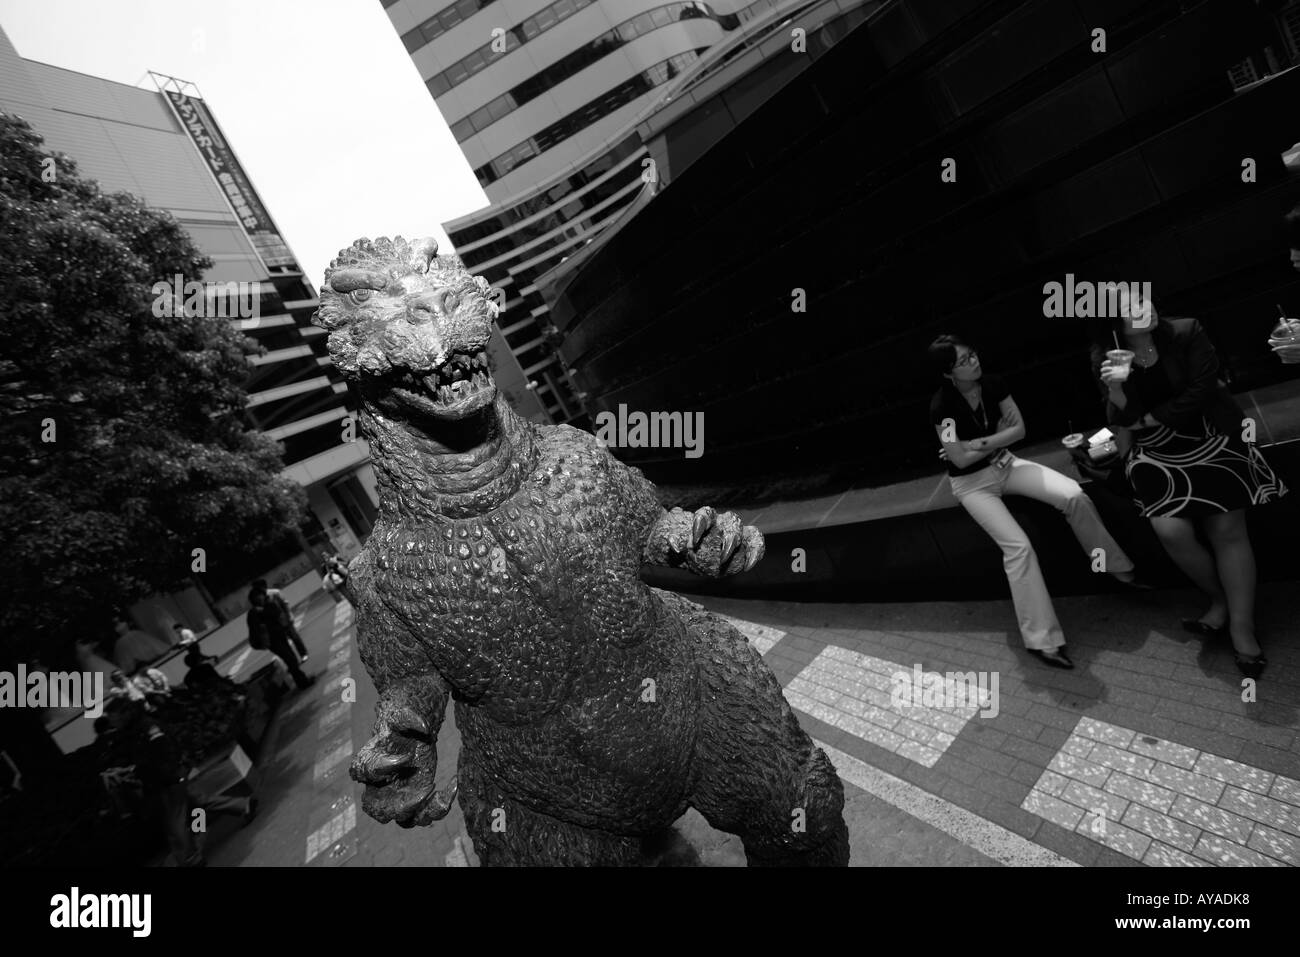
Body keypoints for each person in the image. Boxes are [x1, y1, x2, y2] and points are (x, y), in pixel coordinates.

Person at [1093, 286, 1287, 678]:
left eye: (1143, 300)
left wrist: (1150, 418)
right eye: (1129, 308)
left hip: (1210, 430)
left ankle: (1241, 625)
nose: (1141, 309)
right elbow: (1123, 418)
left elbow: (1203, 388)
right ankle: (1220, 599)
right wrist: (1116, 387)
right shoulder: (1106, 355)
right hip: (1156, 449)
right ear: (1114, 322)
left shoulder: (1185, 331)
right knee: (1170, 531)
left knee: (1226, 526)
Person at [929, 335, 1145, 669]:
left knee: (1073, 494)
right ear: (948, 373)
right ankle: (1042, 641)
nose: (974, 361)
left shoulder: (993, 384)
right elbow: (957, 461)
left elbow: (1019, 431)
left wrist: (976, 442)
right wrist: (987, 440)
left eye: (972, 354)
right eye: (963, 361)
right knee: (1018, 548)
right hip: (973, 486)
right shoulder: (942, 407)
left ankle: (1116, 571)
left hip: (1007, 464)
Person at [100, 695, 255, 867]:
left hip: (169, 779)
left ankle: (190, 858)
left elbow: (162, 754)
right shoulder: (134, 731)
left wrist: (139, 771)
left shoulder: (147, 727)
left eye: (114, 717)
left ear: (126, 713)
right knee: (200, 804)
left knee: (175, 824)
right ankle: (242, 806)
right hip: (169, 777)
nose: (113, 723)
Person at [247, 587, 314, 690]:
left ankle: (300, 680)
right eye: (258, 597)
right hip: (272, 642)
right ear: (254, 599)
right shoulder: (253, 613)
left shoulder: (269, 605)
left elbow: (278, 614)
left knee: (291, 658)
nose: (261, 598)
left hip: (280, 636)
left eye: (261, 595)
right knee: (290, 659)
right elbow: (255, 628)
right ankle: (302, 682)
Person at [250, 580, 308, 662]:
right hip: (275, 626)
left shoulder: (274, 593)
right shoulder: (257, 600)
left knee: (294, 637)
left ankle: (303, 654)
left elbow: (284, 604)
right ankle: (293, 660)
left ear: (263, 586)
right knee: (285, 644)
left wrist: (289, 615)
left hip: (284, 620)